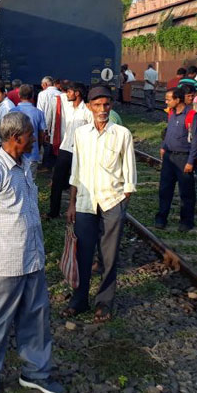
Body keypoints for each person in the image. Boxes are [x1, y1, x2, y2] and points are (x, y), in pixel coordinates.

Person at [0, 111, 64, 393]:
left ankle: (35, 373)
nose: (34, 139)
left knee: (36, 316)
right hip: (4, 261)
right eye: (30, 135)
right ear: (16, 138)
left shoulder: (25, 165)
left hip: (32, 257)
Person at [64, 86, 137, 321]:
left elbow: (130, 176)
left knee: (109, 256)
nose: (102, 109)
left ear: (111, 106)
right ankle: (79, 299)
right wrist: (72, 203)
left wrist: (121, 202)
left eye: (106, 105)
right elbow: (76, 171)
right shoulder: (81, 134)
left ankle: (104, 302)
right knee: (83, 255)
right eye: (97, 105)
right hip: (85, 204)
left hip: (111, 202)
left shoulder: (122, 134)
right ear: (89, 107)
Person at [156, 87, 197, 232]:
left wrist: (190, 161)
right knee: (165, 189)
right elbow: (169, 131)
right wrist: (164, 146)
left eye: (169, 99)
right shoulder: (171, 113)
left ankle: (186, 221)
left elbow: (196, 140)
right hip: (169, 157)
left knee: (186, 192)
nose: (166, 101)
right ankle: (161, 218)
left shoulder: (192, 116)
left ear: (178, 100)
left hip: (184, 157)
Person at [49, 82, 92, 219]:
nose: (67, 94)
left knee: (77, 182)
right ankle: (53, 212)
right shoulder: (68, 108)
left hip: (78, 152)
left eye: (69, 91)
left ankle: (77, 211)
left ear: (77, 93)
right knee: (57, 181)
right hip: (65, 148)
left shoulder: (87, 112)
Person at [14, 84, 46, 179]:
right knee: (30, 182)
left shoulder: (12, 111)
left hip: (15, 153)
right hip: (32, 152)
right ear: (32, 96)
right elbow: (41, 133)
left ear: (19, 95)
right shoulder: (39, 113)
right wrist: (39, 146)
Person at [36, 77, 60, 171]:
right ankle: (52, 164)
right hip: (57, 123)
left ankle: (45, 165)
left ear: (45, 84)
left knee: (45, 145)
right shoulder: (61, 94)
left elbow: (40, 110)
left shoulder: (42, 94)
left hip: (45, 122)